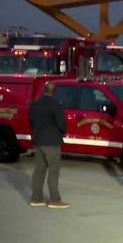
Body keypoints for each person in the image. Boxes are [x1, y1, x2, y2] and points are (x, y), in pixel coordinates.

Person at [28, 81, 69, 209]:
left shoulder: (34, 104)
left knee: (39, 170)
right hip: (51, 142)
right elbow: (62, 124)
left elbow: (31, 120)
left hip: (37, 140)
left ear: (44, 90)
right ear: (54, 91)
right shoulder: (56, 105)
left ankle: (36, 198)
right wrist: (61, 132)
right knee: (53, 171)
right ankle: (54, 200)